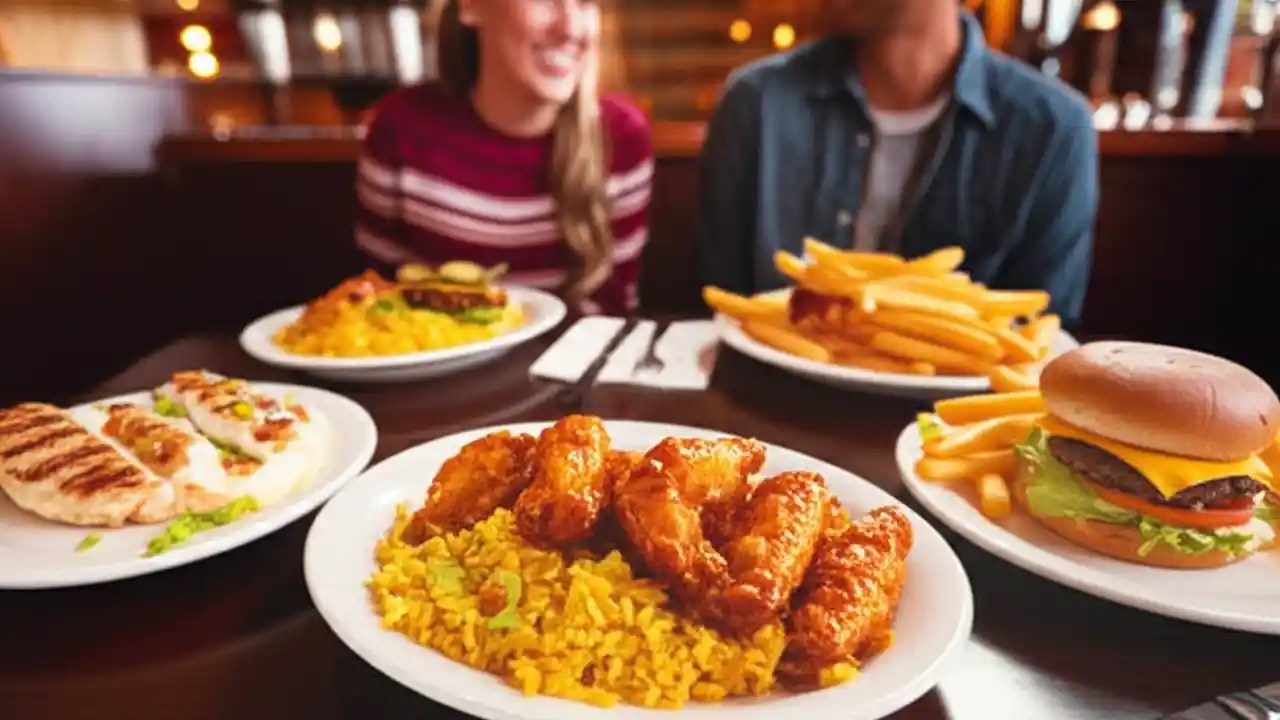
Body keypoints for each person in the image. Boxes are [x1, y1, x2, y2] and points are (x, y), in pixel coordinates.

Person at [697, 0, 1098, 328]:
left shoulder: (1054, 130)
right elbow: (715, 307)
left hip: (953, 421)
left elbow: (1042, 332)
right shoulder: (756, 103)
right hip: (763, 405)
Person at [355, 0, 653, 315]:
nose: (571, 28)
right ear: (470, 7)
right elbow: (378, 304)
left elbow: (613, 321)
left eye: (585, 3)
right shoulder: (399, 127)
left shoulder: (621, 137)